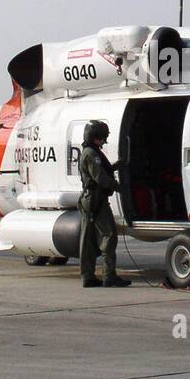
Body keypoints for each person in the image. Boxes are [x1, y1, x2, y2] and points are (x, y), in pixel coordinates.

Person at [77, 120, 132, 288]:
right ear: (96, 137)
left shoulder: (89, 152)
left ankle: (88, 276)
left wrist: (115, 166)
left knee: (87, 240)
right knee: (109, 236)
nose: (104, 141)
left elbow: (100, 172)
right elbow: (100, 177)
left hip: (90, 200)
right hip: (96, 200)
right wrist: (120, 188)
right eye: (102, 138)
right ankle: (109, 275)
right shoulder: (91, 154)